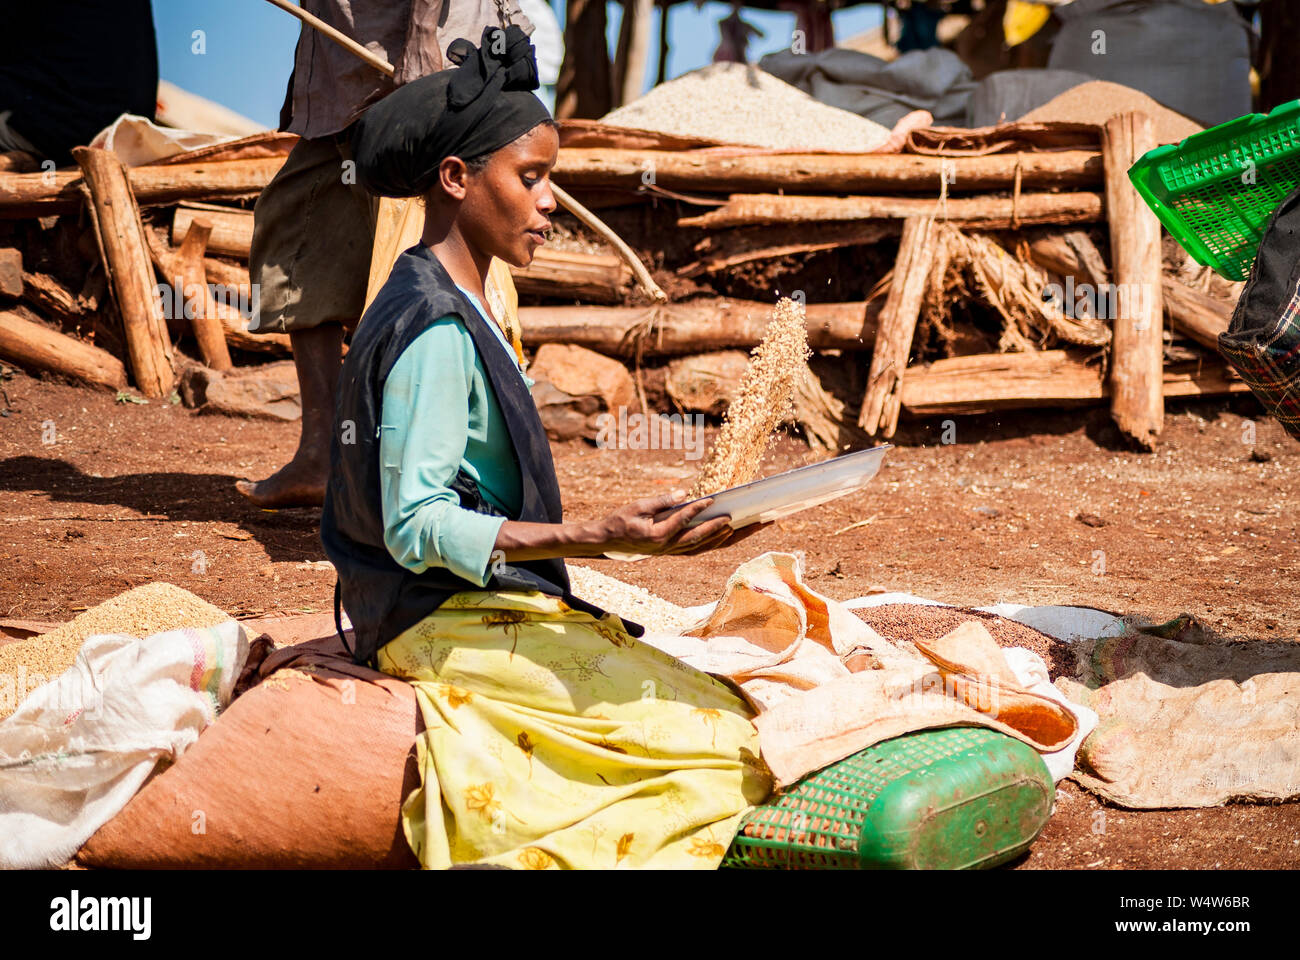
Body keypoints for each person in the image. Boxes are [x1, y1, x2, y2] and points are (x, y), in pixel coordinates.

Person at [321, 27, 772, 869]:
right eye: (530, 177)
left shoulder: (460, 295)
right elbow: (414, 525)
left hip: (468, 599)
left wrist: (626, 534)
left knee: (712, 702)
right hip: (429, 619)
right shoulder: (435, 328)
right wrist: (596, 534)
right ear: (456, 179)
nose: (550, 200)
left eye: (550, 178)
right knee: (704, 742)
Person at [239, 0, 533, 508]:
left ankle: (437, 477)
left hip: (417, 68)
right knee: (300, 236)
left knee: (428, 269)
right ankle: (323, 455)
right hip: (345, 82)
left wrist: (420, 43)